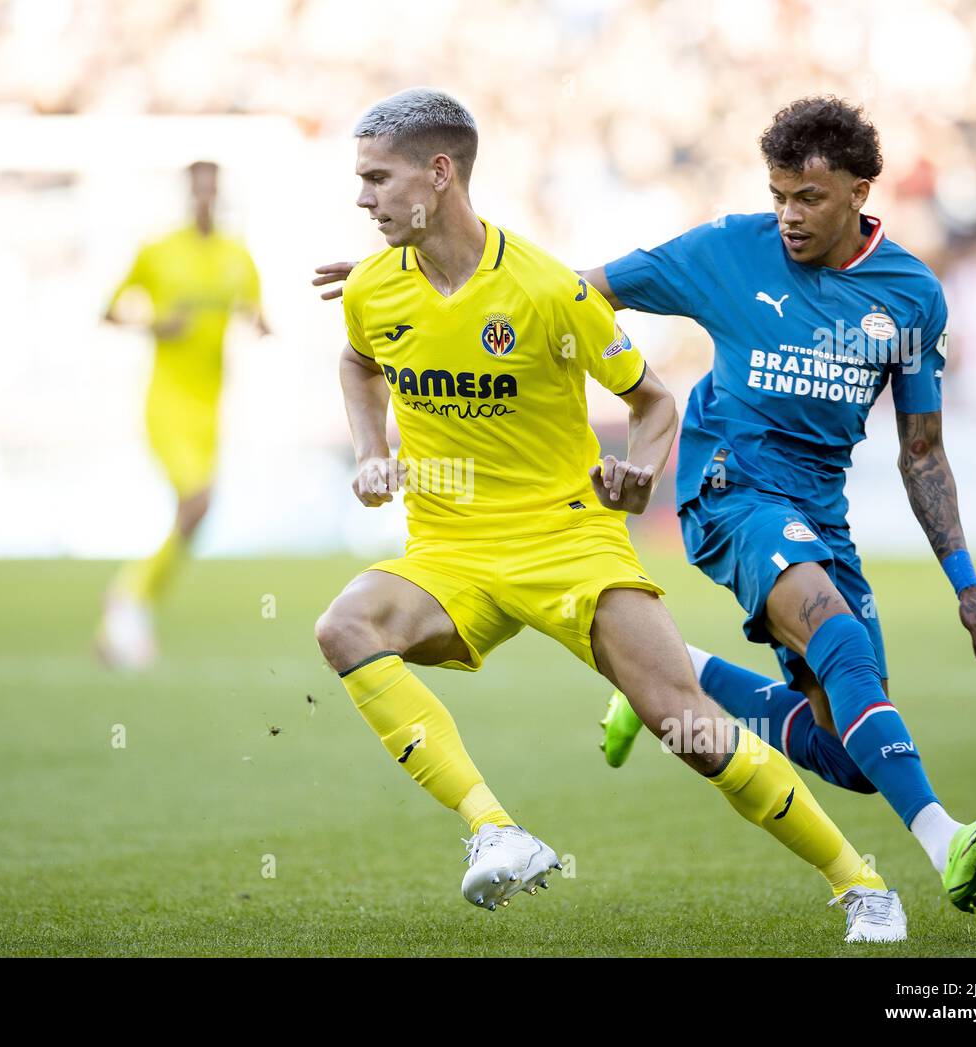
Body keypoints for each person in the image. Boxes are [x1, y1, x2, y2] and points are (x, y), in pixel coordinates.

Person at [313, 88, 906, 942]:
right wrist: (372, 450)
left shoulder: (549, 290)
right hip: (449, 552)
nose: (362, 197)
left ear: (439, 174)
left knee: (688, 723)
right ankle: (494, 829)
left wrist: (640, 471)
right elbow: (358, 360)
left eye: (377, 177)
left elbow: (654, 400)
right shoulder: (373, 287)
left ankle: (861, 883)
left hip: (567, 539)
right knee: (345, 628)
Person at [583, 97, 976, 914]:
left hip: (817, 514)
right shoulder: (728, 251)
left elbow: (922, 451)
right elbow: (582, 294)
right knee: (836, 630)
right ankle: (944, 837)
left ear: (861, 191)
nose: (788, 215)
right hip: (728, 491)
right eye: (779, 194)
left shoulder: (910, 296)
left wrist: (967, 586)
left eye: (809, 198)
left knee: (854, 753)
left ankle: (675, 670)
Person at [99, 161, 268, 668]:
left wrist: (262, 325)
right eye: (197, 191)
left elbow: (256, 312)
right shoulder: (158, 251)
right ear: (186, 194)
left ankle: (129, 610)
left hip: (211, 405)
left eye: (212, 191)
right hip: (167, 402)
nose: (204, 200)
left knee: (197, 517)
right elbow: (109, 311)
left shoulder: (237, 255)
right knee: (196, 503)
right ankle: (128, 596)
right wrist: (153, 321)